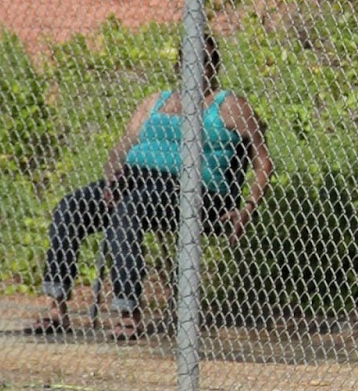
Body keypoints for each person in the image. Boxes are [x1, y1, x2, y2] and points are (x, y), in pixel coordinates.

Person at [27, 32, 272, 340]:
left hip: (192, 191)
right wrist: (113, 177)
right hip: (133, 180)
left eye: (207, 61)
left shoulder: (231, 106)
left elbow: (265, 162)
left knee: (129, 212)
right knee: (70, 207)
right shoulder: (155, 102)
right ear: (179, 65)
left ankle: (127, 313)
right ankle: (55, 307)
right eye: (190, 60)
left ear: (215, 66)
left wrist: (247, 207)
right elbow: (121, 148)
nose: (199, 67)